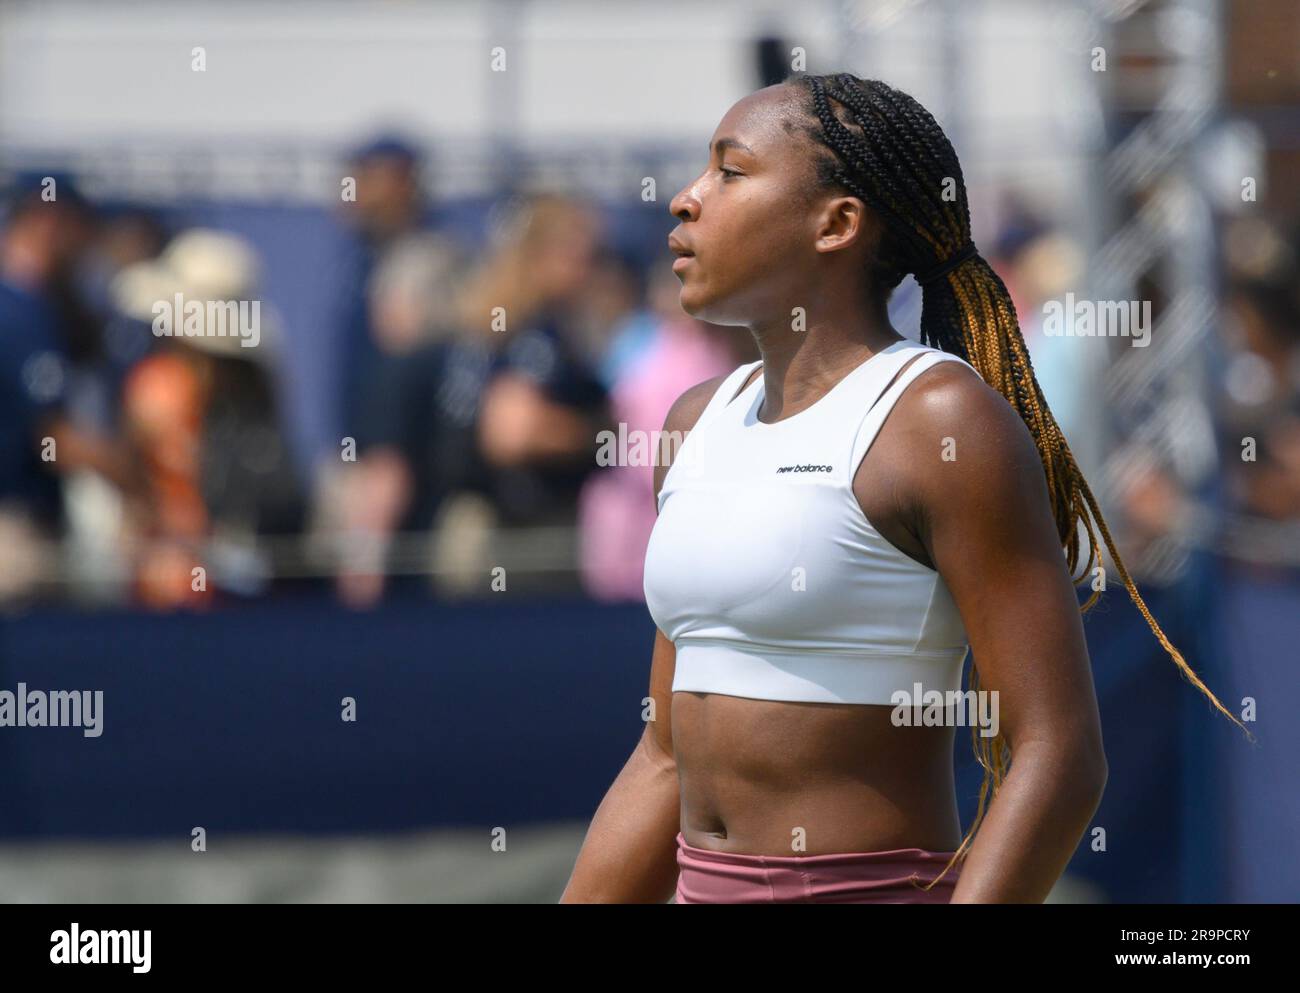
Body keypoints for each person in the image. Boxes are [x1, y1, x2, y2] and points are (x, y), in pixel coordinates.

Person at [561, 73, 1246, 905]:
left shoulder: (939, 422)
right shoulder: (691, 423)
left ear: (836, 223)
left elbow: (1057, 751)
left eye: (730, 172)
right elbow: (663, 754)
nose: (684, 199)